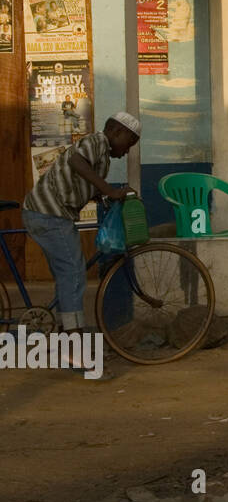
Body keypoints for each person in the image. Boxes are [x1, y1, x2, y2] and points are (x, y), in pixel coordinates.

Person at [21, 112, 141, 346]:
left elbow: (83, 180)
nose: (127, 151)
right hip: (48, 213)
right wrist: (109, 190)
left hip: (50, 214)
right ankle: (73, 343)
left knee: (66, 277)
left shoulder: (103, 155)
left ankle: (64, 330)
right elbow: (77, 162)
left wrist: (104, 195)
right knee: (73, 273)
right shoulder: (96, 141)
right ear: (117, 132)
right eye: (129, 144)